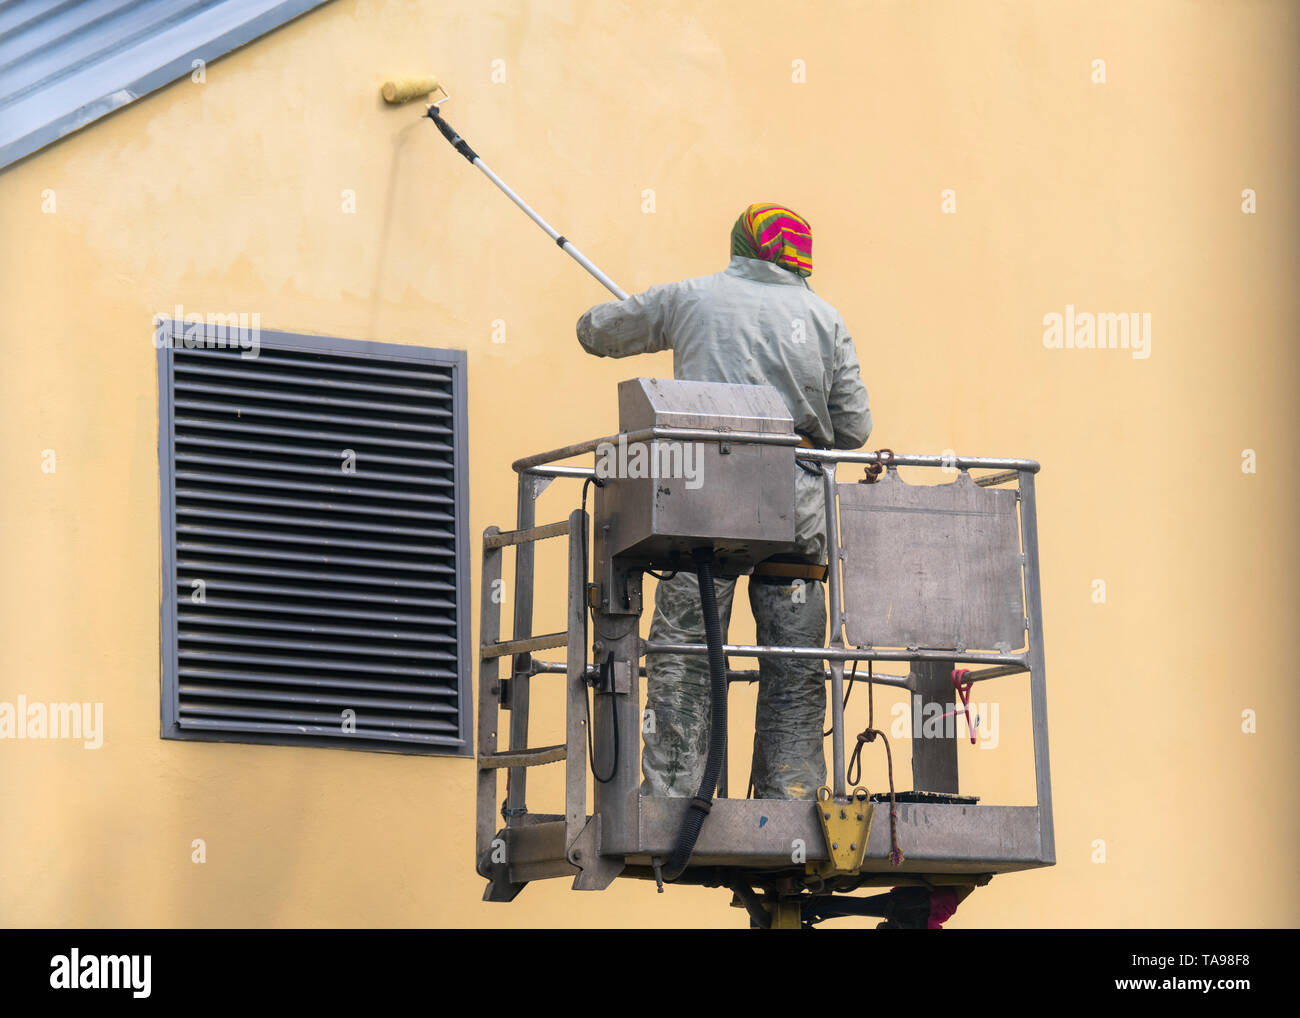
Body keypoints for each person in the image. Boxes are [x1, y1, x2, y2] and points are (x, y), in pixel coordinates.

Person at [575, 202, 871, 800]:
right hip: (797, 501)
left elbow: (595, 331)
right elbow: (856, 427)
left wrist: (669, 322)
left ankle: (676, 794)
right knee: (793, 658)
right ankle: (790, 795)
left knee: (686, 649)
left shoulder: (692, 297)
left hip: (702, 503)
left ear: (740, 244)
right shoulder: (824, 318)